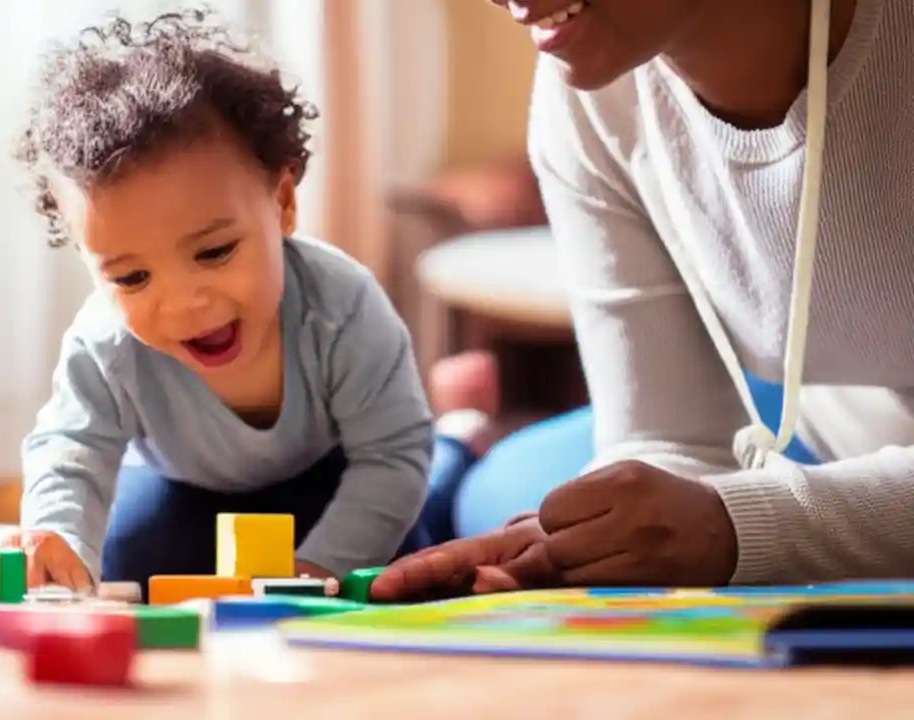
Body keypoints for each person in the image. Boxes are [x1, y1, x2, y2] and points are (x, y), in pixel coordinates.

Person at [374, 0, 914, 602]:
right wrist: (597, 545)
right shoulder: (589, 101)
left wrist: (738, 525)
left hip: (852, 445)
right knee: (504, 494)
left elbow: (719, 518)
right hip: (813, 416)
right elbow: (667, 443)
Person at [1, 9, 487, 593]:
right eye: (132, 278)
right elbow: (71, 448)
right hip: (187, 489)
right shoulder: (104, 343)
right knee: (130, 554)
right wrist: (56, 534)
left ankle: (460, 432)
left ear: (281, 201)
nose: (184, 304)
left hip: (333, 479)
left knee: (413, 550)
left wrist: (314, 572)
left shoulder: (342, 304)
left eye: (214, 252)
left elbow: (391, 459)